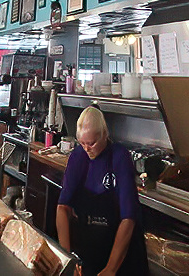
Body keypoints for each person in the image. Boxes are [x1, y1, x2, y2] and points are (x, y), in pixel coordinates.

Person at [56, 106, 148, 276]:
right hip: (90, 252)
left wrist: (111, 269)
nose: (87, 149)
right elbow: (63, 208)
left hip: (123, 259)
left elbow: (129, 218)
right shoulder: (77, 157)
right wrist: (67, 259)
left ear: (104, 135)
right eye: (82, 143)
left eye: (92, 143)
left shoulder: (120, 157)